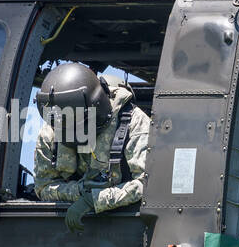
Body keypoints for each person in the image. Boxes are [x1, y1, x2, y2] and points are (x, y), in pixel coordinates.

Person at [33, 62, 151, 232]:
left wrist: (95, 200)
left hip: (124, 225)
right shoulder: (50, 132)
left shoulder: (134, 122)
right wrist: (80, 191)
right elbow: (43, 187)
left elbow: (146, 184)